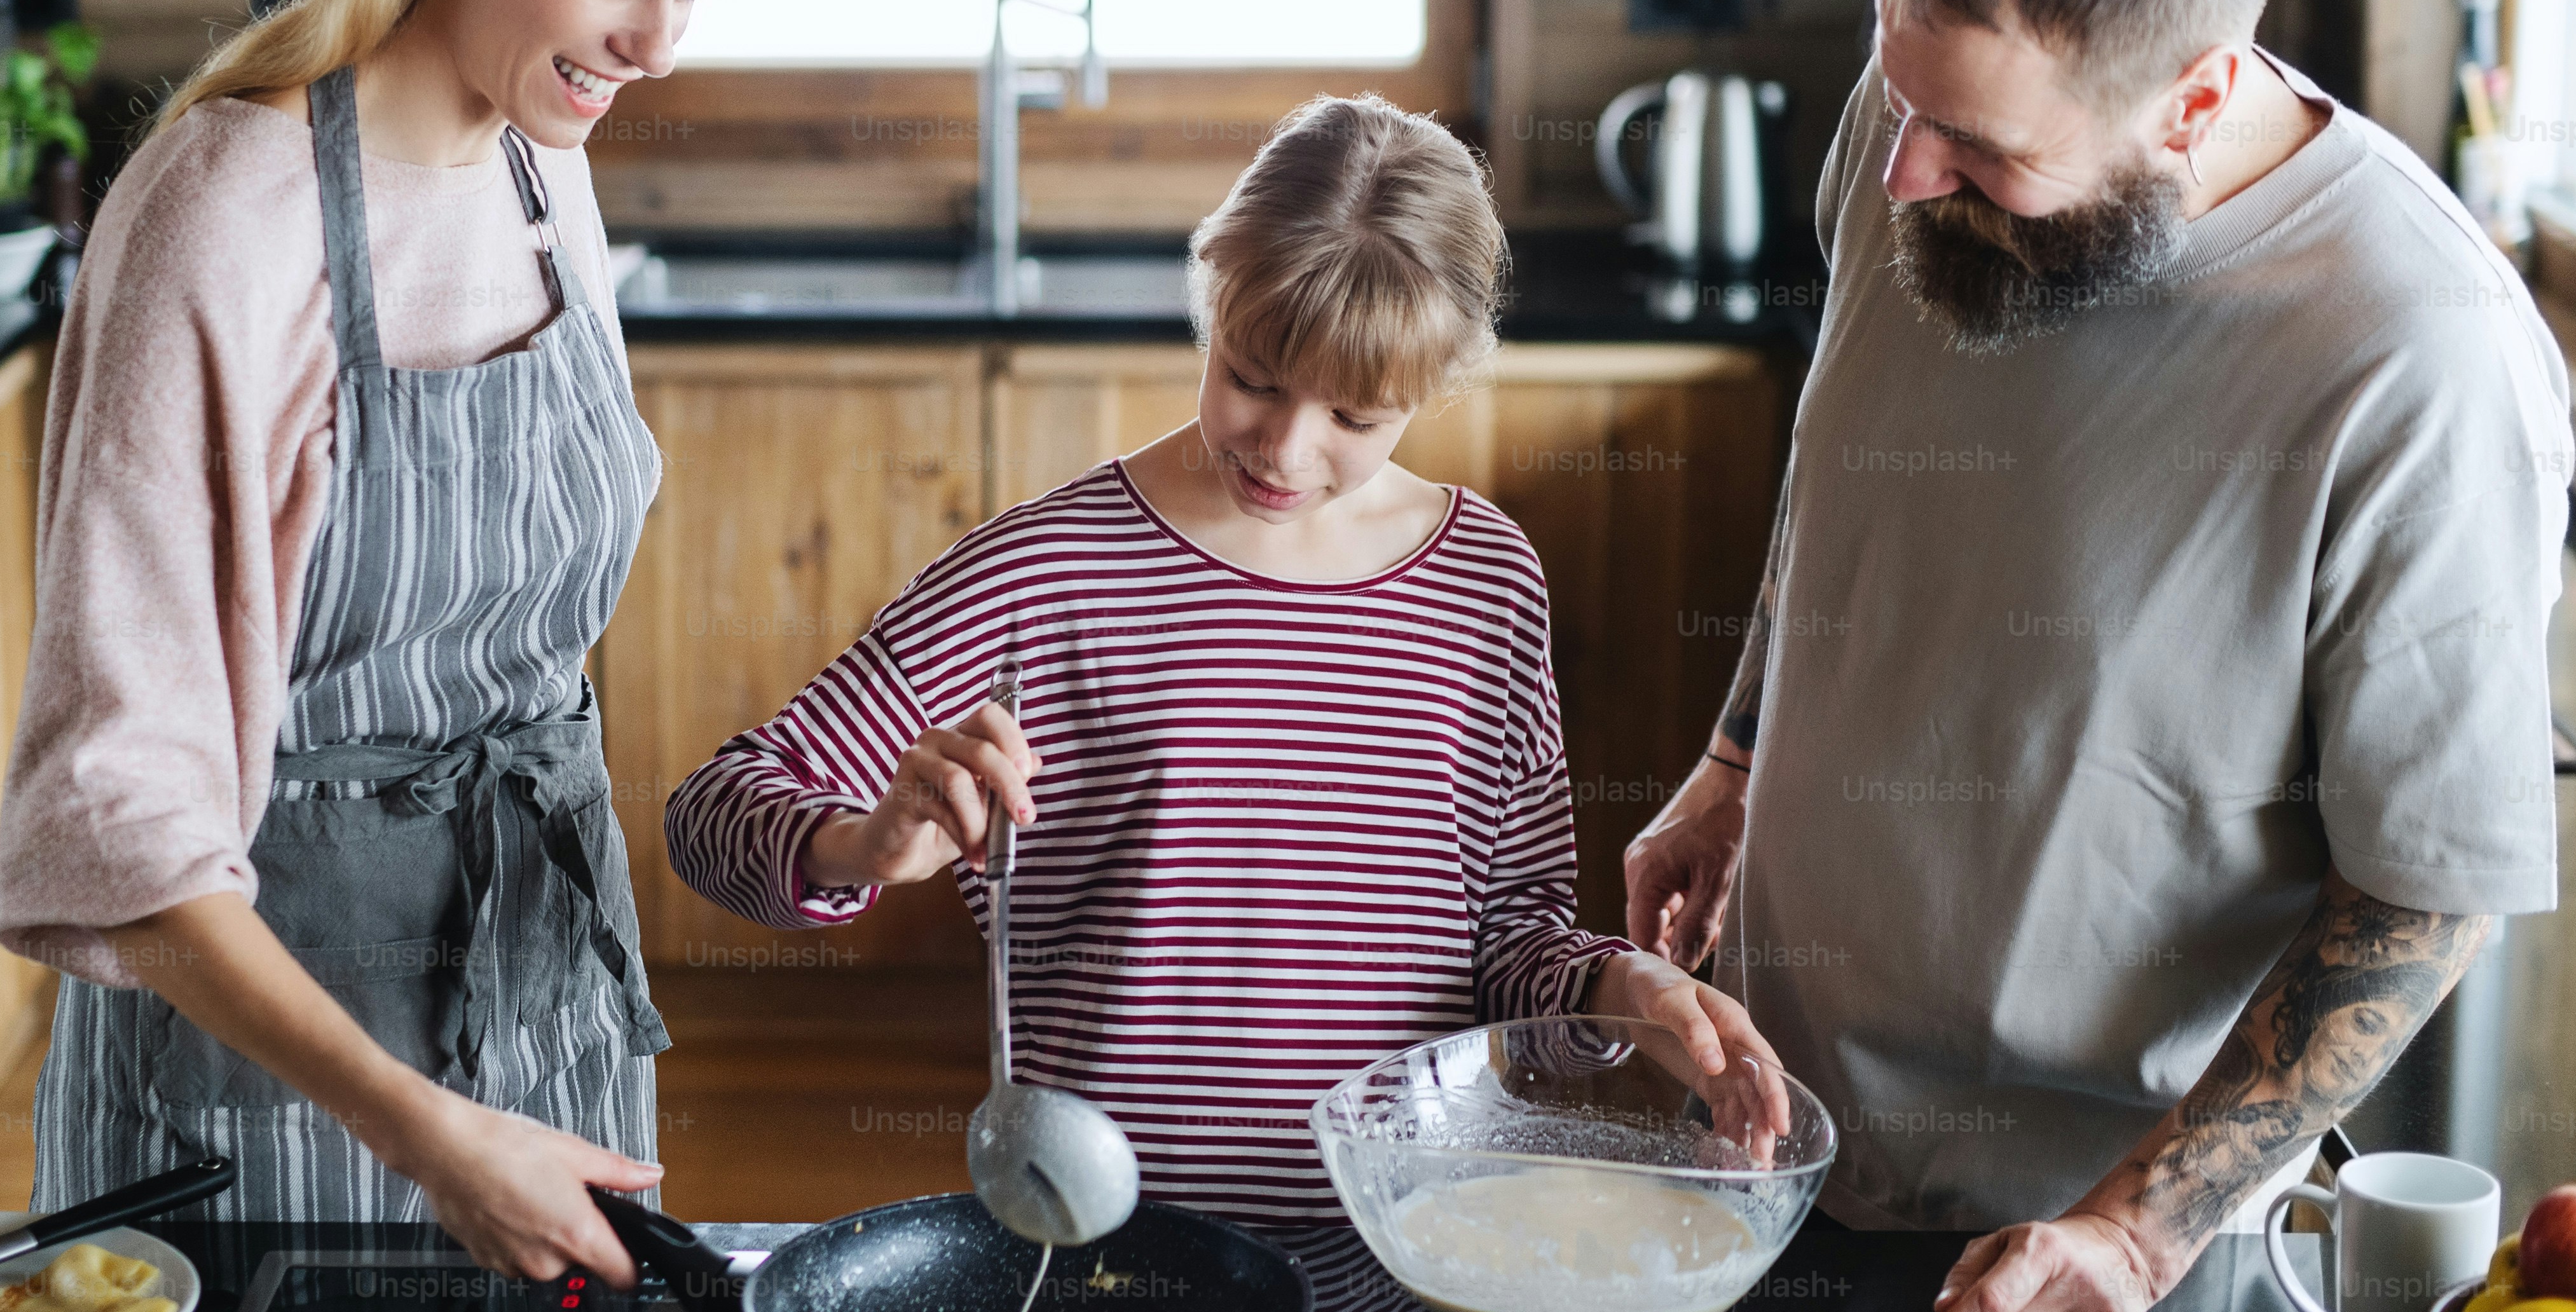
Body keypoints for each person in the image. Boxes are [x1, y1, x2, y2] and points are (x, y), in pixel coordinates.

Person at [1621, 0, 2573, 1312]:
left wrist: (2134, 1230)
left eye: (1977, 148)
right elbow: (1839, 476)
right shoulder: (1914, 122)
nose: (1901, 166)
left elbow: (2425, 887)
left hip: (2080, 1279)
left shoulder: (2416, 359)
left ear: (2192, 99)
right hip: (1768, 1153)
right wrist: (1732, 758)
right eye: (1894, 95)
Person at [665, 94, 1785, 1219]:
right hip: (1105, 1241)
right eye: (1252, 378)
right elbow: (708, 815)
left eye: (1355, 416)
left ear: (1435, 385)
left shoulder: (1484, 580)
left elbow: (1510, 939)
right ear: (1212, 300)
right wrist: (862, 843)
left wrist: (1621, 985)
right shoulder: (1040, 572)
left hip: (1397, 1232)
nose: (1287, 449)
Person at [0, 0, 755, 1285]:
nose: (652, 45)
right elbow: (114, 814)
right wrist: (418, 1126)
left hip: (542, 1003)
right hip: (279, 1072)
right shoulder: (222, 216)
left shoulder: (550, 170)